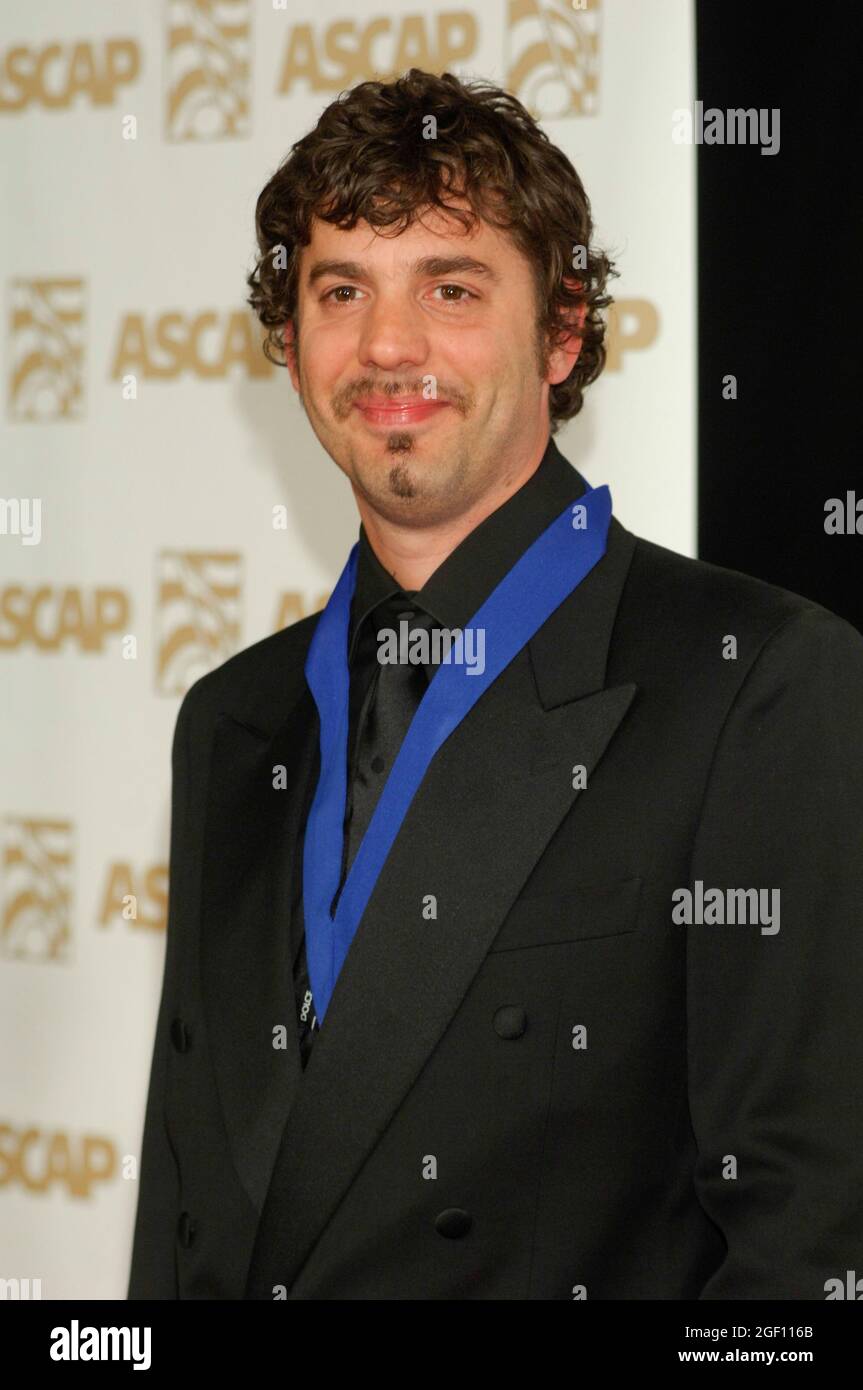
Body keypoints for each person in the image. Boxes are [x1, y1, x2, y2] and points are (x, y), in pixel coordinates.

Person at [128, 69, 863, 1300]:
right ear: (291, 337)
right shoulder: (231, 717)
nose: (387, 345)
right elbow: (186, 1208)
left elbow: (810, 1241)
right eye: (340, 289)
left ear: (561, 330)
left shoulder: (754, 684)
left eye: (451, 288)